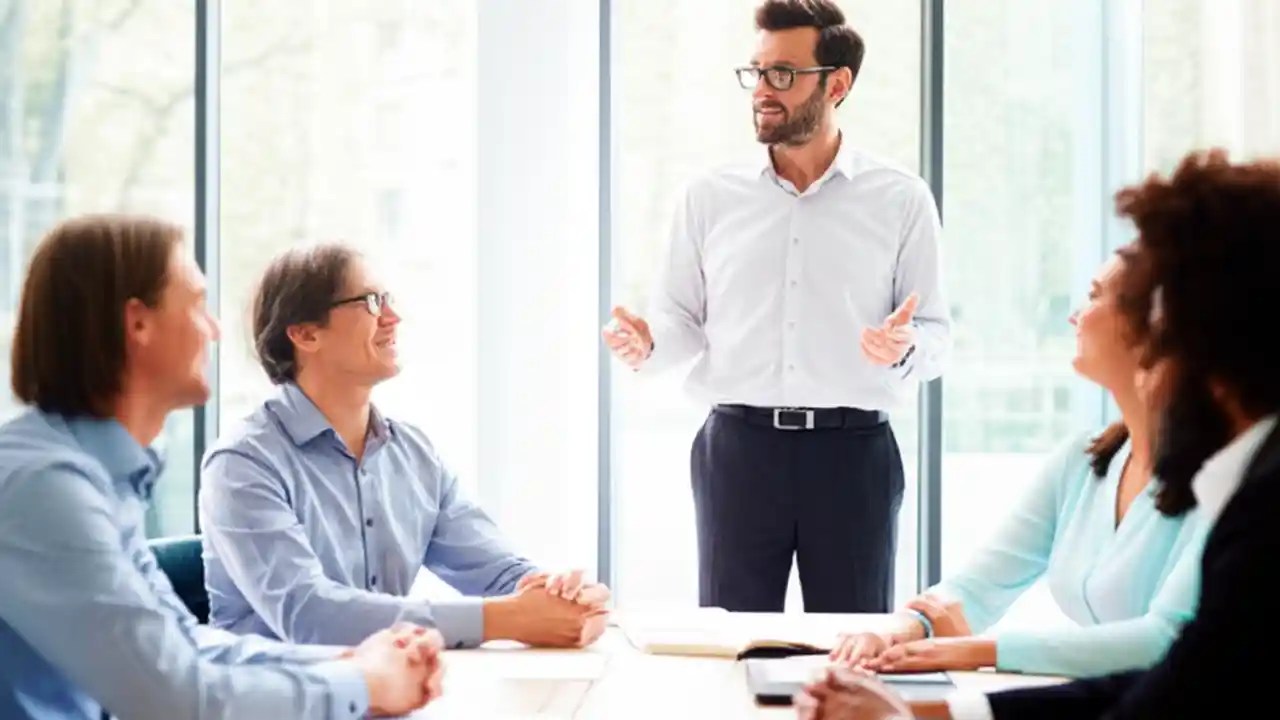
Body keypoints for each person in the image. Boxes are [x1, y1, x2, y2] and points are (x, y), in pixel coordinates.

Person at [796, 149, 1280, 719]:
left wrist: (955, 671)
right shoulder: (1117, 463)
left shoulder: (1256, 503)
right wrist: (927, 688)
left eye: (1101, 296)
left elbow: (1167, 661)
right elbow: (1165, 686)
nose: (1077, 314)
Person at [0, 214, 445, 720]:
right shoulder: (43, 488)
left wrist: (352, 663)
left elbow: (188, 646)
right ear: (138, 323)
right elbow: (174, 696)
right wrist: (363, 684)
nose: (212, 331)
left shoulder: (99, 478)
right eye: (195, 304)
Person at [602, 0, 951, 613]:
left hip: (854, 459)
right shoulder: (709, 196)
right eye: (757, 73)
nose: (763, 90)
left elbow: (936, 334)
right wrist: (650, 344)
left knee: (850, 654)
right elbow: (681, 320)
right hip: (737, 454)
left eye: (783, 74)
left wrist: (907, 346)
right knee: (730, 647)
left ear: (837, 84)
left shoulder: (900, 198)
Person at [200, 243, 610, 651]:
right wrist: (509, 618)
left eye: (388, 301)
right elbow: (308, 616)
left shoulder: (411, 453)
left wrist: (560, 598)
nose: (393, 318)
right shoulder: (243, 463)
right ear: (306, 333)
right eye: (371, 303)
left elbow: (497, 570)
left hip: (385, 697)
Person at [826, 253, 1205, 678]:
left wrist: (979, 651)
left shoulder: (1223, 482)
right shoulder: (1083, 462)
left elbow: (1163, 642)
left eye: (1095, 296)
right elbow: (978, 587)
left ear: (1151, 326)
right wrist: (897, 631)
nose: (1074, 316)